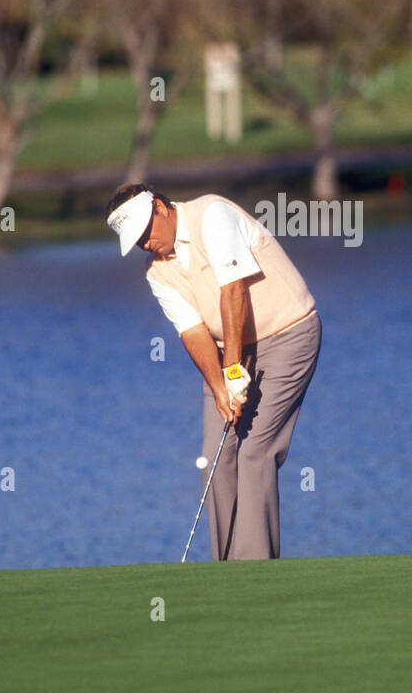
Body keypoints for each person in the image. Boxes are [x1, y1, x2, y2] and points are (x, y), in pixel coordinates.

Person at [106, 183, 321, 561]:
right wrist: (220, 386)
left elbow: (233, 292)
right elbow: (192, 331)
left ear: (160, 207)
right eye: (135, 240)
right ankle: (224, 571)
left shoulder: (212, 214)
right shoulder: (158, 272)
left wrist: (234, 371)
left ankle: (252, 571)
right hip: (231, 351)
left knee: (256, 451)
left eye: (144, 232)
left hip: (290, 335)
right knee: (215, 457)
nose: (144, 244)